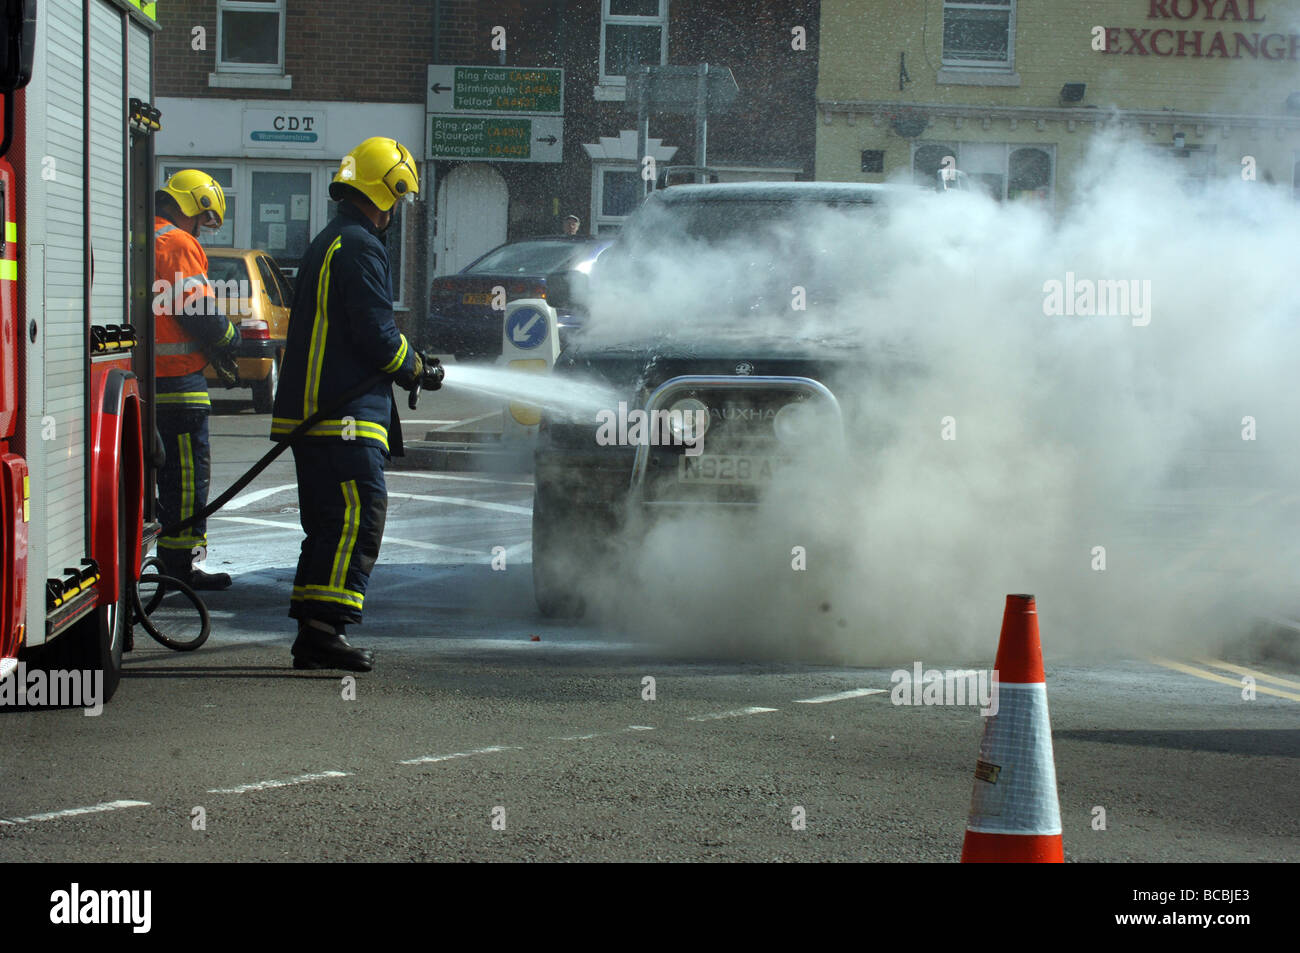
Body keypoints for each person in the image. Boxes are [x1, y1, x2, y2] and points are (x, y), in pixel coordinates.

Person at [270, 137, 424, 672]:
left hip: (316, 414)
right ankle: (321, 634)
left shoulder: (330, 239)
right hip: (341, 417)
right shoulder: (360, 245)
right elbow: (379, 338)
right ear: (386, 191)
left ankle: (314, 631)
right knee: (358, 517)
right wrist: (417, 367)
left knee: (329, 523)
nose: (396, 212)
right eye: (397, 199)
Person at [153, 169, 240, 591]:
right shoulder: (177, 242)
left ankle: (165, 562)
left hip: (142, 385)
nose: (201, 232)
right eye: (203, 220)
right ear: (192, 206)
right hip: (178, 385)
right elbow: (198, 311)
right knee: (186, 482)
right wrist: (228, 339)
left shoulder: (140, 236)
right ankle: (180, 570)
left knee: (158, 482)